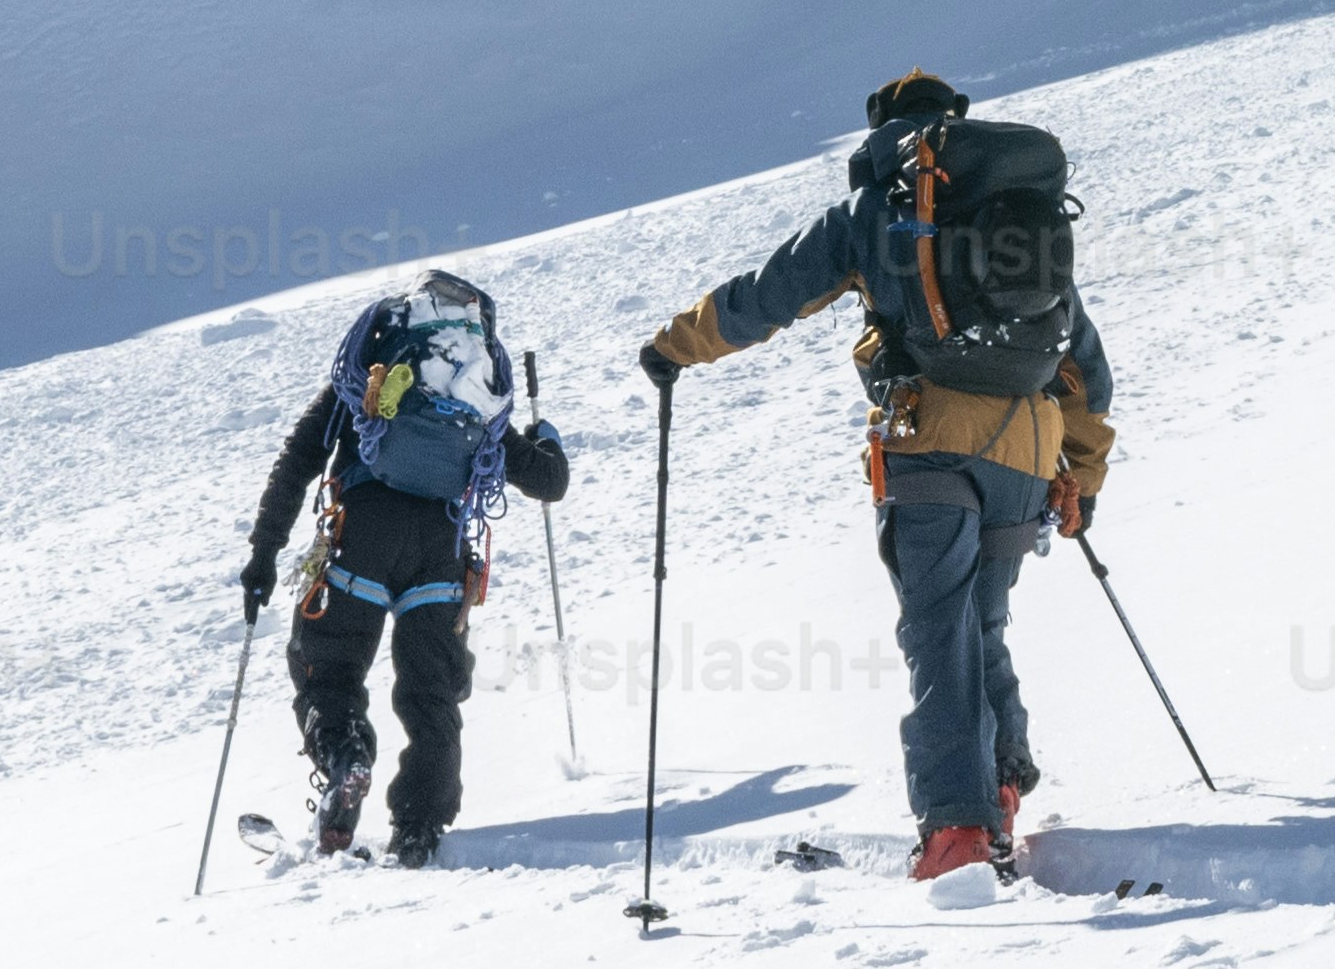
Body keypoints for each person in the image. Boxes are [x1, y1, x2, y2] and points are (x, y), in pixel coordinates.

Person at [639, 72, 1118, 890]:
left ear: (881, 131)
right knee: (981, 625)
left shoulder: (881, 207)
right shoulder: (1011, 203)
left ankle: (957, 830)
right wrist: (1081, 477)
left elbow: (768, 295)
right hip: (1027, 449)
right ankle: (998, 783)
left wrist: (673, 348)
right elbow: (1084, 362)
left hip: (930, 441)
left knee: (938, 634)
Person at [237, 269, 574, 863]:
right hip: (438, 556)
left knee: (328, 671)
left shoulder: (365, 380)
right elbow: (551, 482)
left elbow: (298, 459)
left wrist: (263, 554)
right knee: (431, 695)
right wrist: (544, 441)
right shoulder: (479, 398)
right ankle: (418, 827)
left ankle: (347, 758)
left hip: (358, 538)